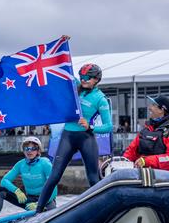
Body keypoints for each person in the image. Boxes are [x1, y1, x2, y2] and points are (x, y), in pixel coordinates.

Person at [36, 63, 112, 212]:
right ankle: (37, 211)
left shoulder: (100, 99)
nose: (83, 80)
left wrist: (91, 127)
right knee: (54, 176)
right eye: (81, 76)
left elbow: (109, 126)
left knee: (93, 179)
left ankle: (102, 210)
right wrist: (62, 43)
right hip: (68, 137)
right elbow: (63, 68)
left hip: (86, 139)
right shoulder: (76, 87)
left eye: (87, 78)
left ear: (96, 79)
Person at [0, 137, 56, 219]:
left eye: (33, 148)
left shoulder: (45, 163)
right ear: (23, 150)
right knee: (0, 191)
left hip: (46, 201)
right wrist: (17, 191)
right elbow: (4, 181)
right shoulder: (20, 164)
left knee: (49, 212)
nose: (29, 151)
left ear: (38, 151)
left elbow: (54, 188)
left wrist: (39, 203)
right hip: (29, 201)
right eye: (26, 148)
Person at [123, 96, 169, 174]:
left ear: (162, 110)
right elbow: (131, 150)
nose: (149, 108)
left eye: (153, 105)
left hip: (164, 179)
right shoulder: (146, 130)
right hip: (142, 176)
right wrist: (123, 162)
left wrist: (146, 161)